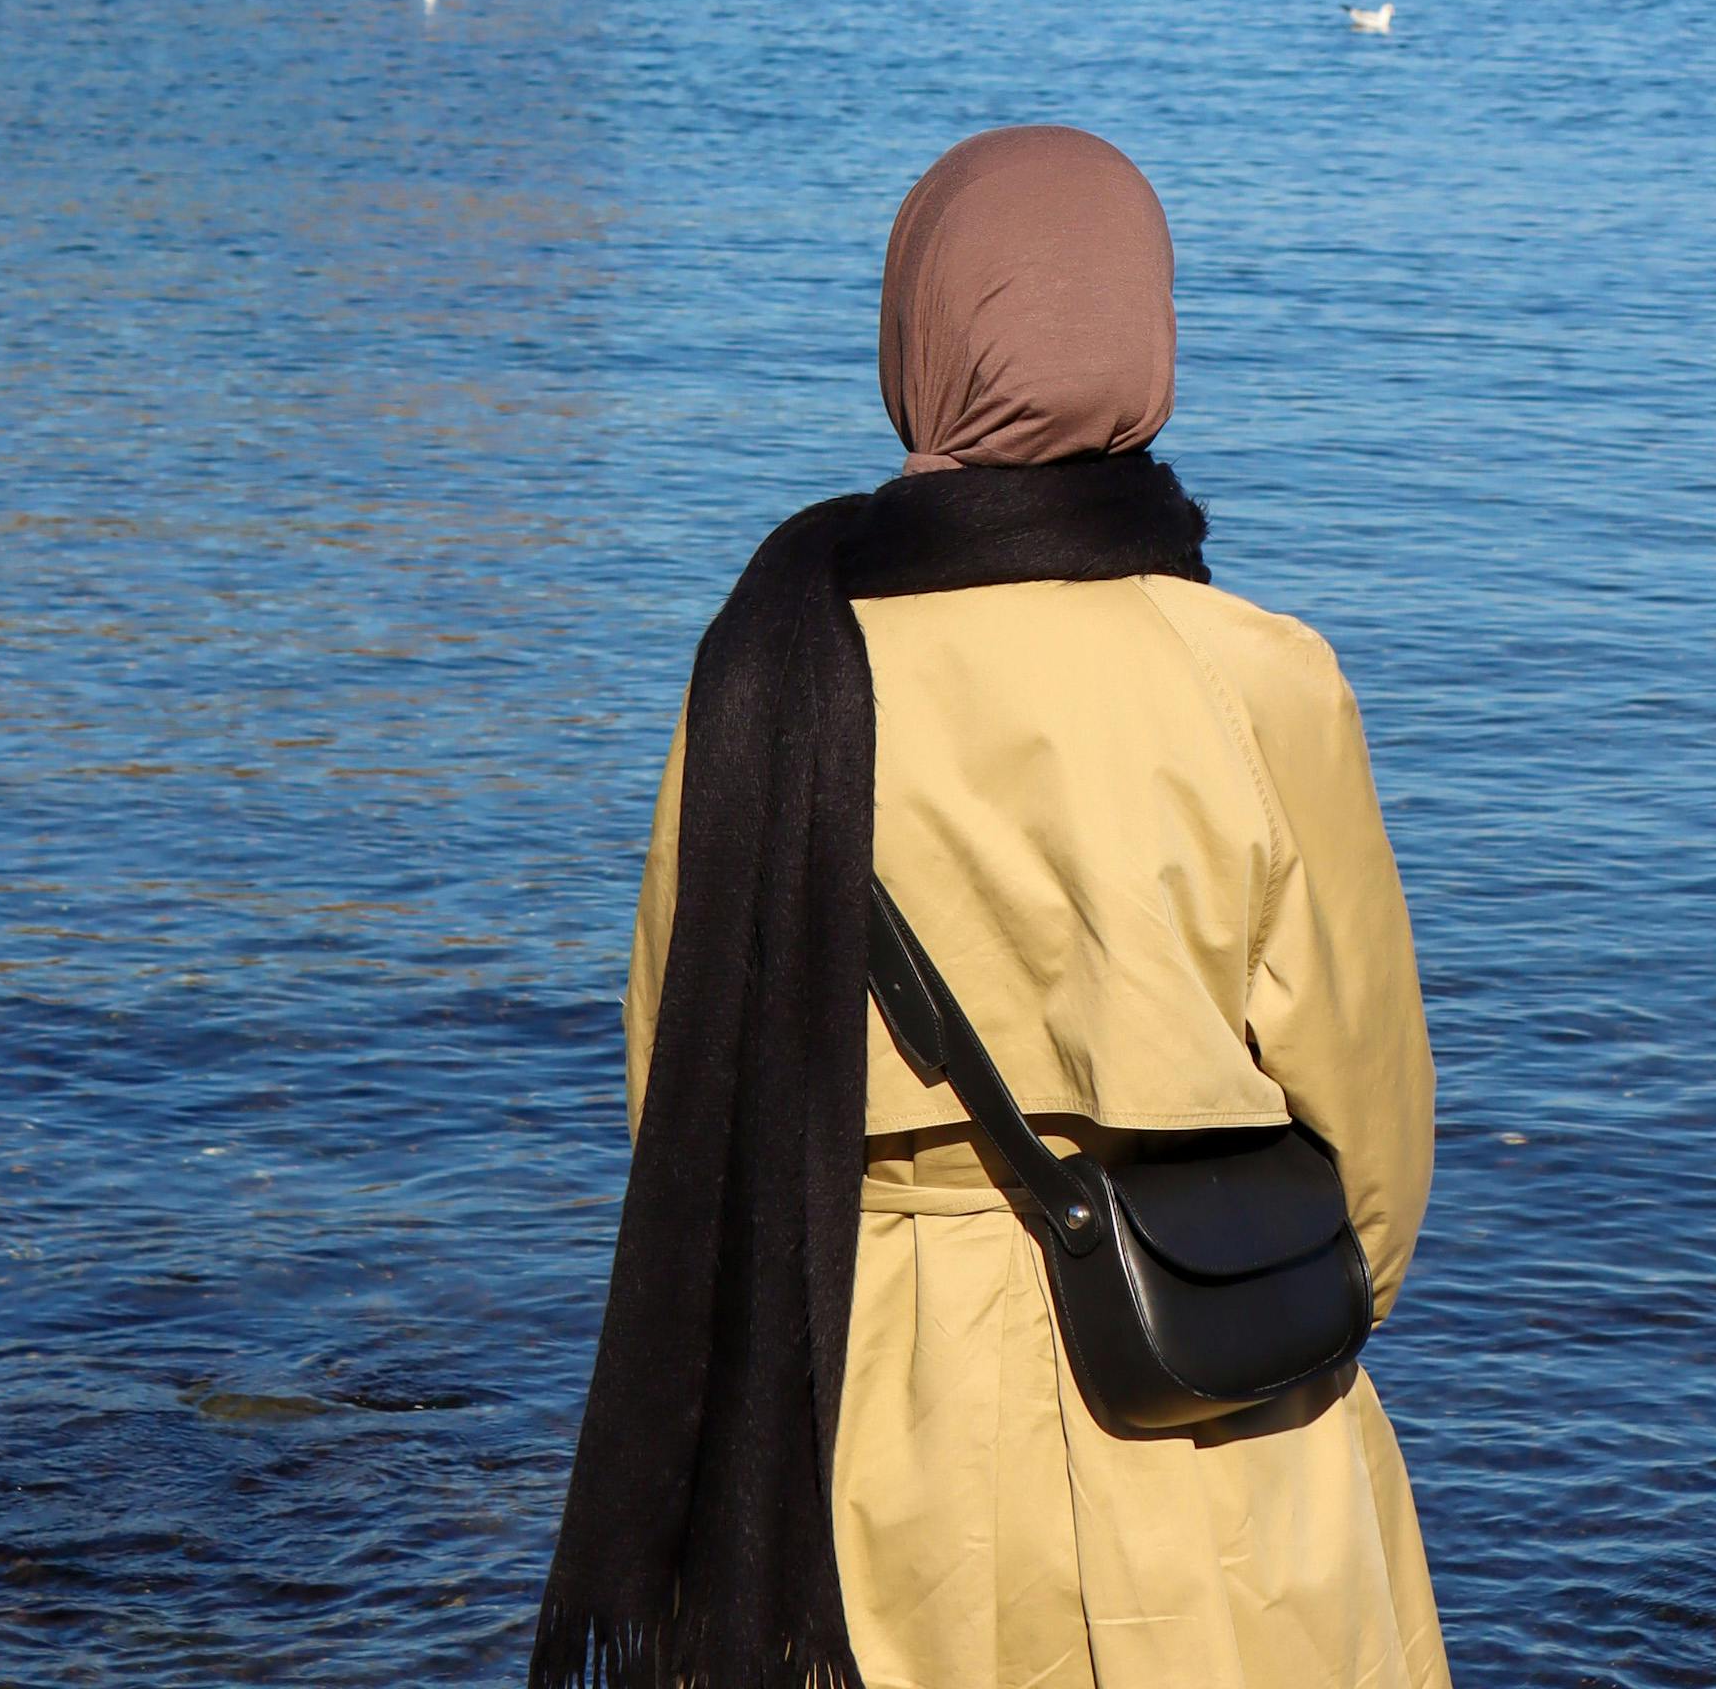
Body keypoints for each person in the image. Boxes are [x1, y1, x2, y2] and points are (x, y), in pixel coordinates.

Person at [534, 125, 1450, 1689]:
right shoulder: (1260, 682)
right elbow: (1372, 1141)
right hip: (1198, 1410)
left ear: (920, 336)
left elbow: (671, 1098)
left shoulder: (767, 680)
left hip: (858, 1407)